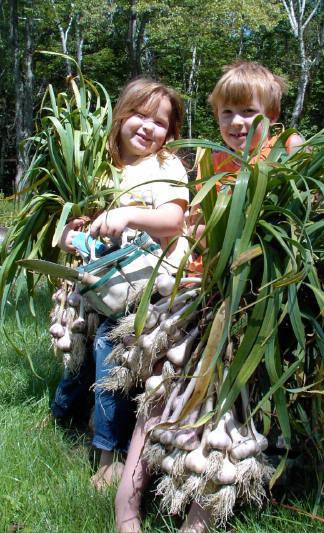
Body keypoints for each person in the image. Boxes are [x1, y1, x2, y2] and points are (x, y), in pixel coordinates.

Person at [52, 78, 189, 495]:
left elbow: (173, 222)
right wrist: (73, 232)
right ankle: (60, 414)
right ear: (121, 116)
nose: (148, 127)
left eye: (160, 121)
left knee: (107, 356)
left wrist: (129, 216)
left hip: (142, 289)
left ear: (171, 131)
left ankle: (108, 457)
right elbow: (83, 222)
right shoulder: (101, 165)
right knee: (77, 360)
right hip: (98, 283)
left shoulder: (166, 166)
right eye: (140, 115)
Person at [184, 61, 304, 531]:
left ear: (271, 114)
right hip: (212, 281)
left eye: (249, 112)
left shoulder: (286, 148)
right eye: (226, 113)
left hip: (262, 289)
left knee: (238, 388)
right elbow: (196, 222)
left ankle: (215, 500)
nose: (237, 123)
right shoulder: (209, 161)